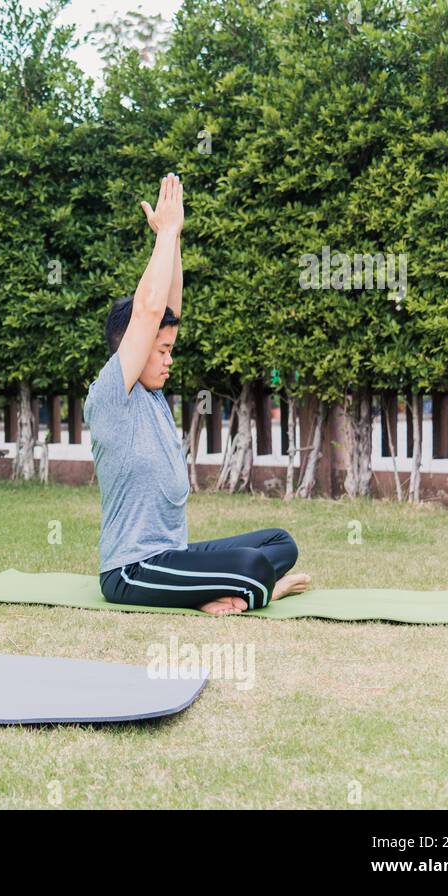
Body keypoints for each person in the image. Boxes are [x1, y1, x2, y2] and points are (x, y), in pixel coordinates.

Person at [83, 173, 312, 615]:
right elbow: (149, 311)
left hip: (173, 554)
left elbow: (167, 307)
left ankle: (228, 585)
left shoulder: (149, 394)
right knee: (253, 566)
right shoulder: (113, 392)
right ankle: (259, 590)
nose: (170, 359)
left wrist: (176, 238)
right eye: (162, 350)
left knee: (278, 544)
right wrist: (164, 234)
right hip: (134, 569)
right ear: (133, 345)